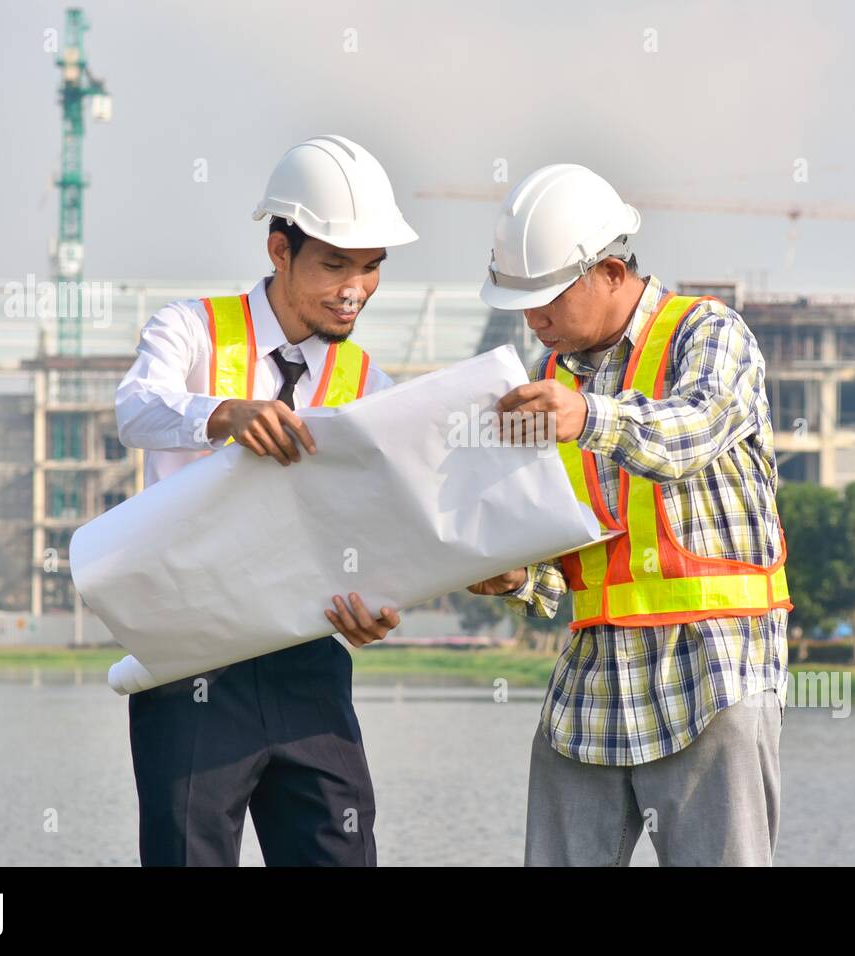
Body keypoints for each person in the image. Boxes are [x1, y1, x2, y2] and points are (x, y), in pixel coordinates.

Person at [468, 163, 793, 866]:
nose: (534, 320)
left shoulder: (708, 335)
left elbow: (694, 430)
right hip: (592, 686)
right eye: (522, 304)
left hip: (711, 674)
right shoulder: (551, 381)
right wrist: (512, 576)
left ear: (611, 271)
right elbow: (560, 564)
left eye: (547, 299)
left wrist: (587, 416)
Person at [114, 135, 414, 865]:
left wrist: (378, 601)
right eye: (335, 264)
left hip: (308, 661)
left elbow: (380, 523)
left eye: (371, 268)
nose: (355, 288)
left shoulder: (368, 381)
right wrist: (222, 416)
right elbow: (136, 409)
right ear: (279, 249)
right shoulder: (192, 329)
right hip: (193, 659)